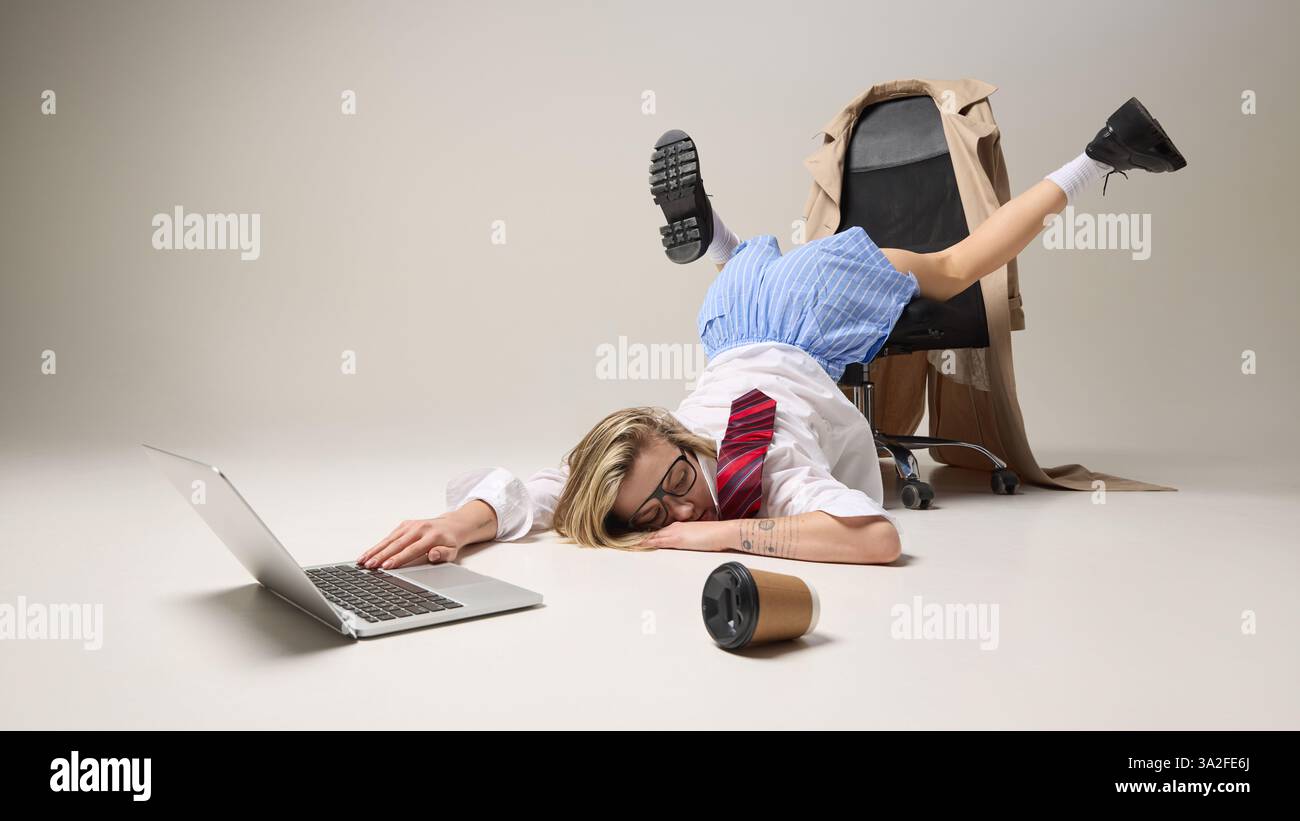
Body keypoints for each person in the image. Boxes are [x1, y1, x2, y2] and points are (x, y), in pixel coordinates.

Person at [358, 97, 1186, 569]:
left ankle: (1102, 150)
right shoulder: (646, 466)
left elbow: (877, 538)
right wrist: (462, 523)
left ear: (677, 432)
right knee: (801, 269)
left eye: (680, 473)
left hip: (803, 312)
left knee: (959, 267)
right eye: (655, 510)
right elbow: (548, 488)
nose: (687, 499)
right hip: (737, 310)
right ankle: (716, 236)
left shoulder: (761, 455)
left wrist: (708, 531)